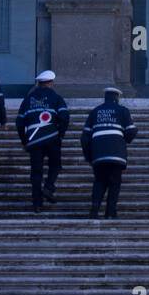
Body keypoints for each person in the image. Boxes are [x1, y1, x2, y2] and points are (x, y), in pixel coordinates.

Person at [16, 70, 70, 213]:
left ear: (39, 83)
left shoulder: (28, 99)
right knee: (56, 165)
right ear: (51, 83)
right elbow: (64, 117)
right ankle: (48, 187)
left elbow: (20, 122)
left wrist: (24, 140)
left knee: (36, 172)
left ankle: (37, 204)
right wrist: (61, 134)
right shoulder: (56, 97)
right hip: (52, 138)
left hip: (34, 142)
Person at [81, 87, 137, 219]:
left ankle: (94, 210)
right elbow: (131, 130)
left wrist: (88, 156)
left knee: (99, 182)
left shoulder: (95, 111)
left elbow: (84, 137)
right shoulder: (123, 110)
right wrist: (126, 140)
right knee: (115, 183)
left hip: (98, 154)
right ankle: (110, 212)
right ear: (117, 97)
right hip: (116, 153)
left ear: (105, 97)